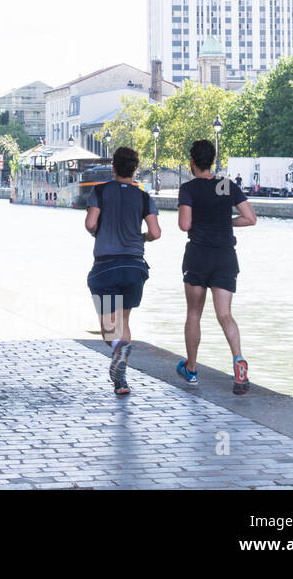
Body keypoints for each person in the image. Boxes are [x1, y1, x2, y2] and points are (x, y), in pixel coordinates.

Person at [176, 140, 258, 395]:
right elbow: (250, 218)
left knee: (194, 313)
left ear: (192, 161)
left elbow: (185, 225)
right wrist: (226, 223)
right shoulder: (225, 184)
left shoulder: (188, 188)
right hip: (225, 256)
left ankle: (191, 371)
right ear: (212, 160)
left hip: (199, 256)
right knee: (225, 315)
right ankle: (238, 360)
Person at [84, 146, 161, 395]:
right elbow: (156, 232)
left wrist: (97, 231)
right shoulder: (143, 197)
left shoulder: (100, 191)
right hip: (134, 266)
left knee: (109, 327)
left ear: (113, 167)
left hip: (106, 266)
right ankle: (121, 382)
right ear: (135, 169)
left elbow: (91, 223)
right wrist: (144, 238)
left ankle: (118, 347)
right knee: (124, 321)